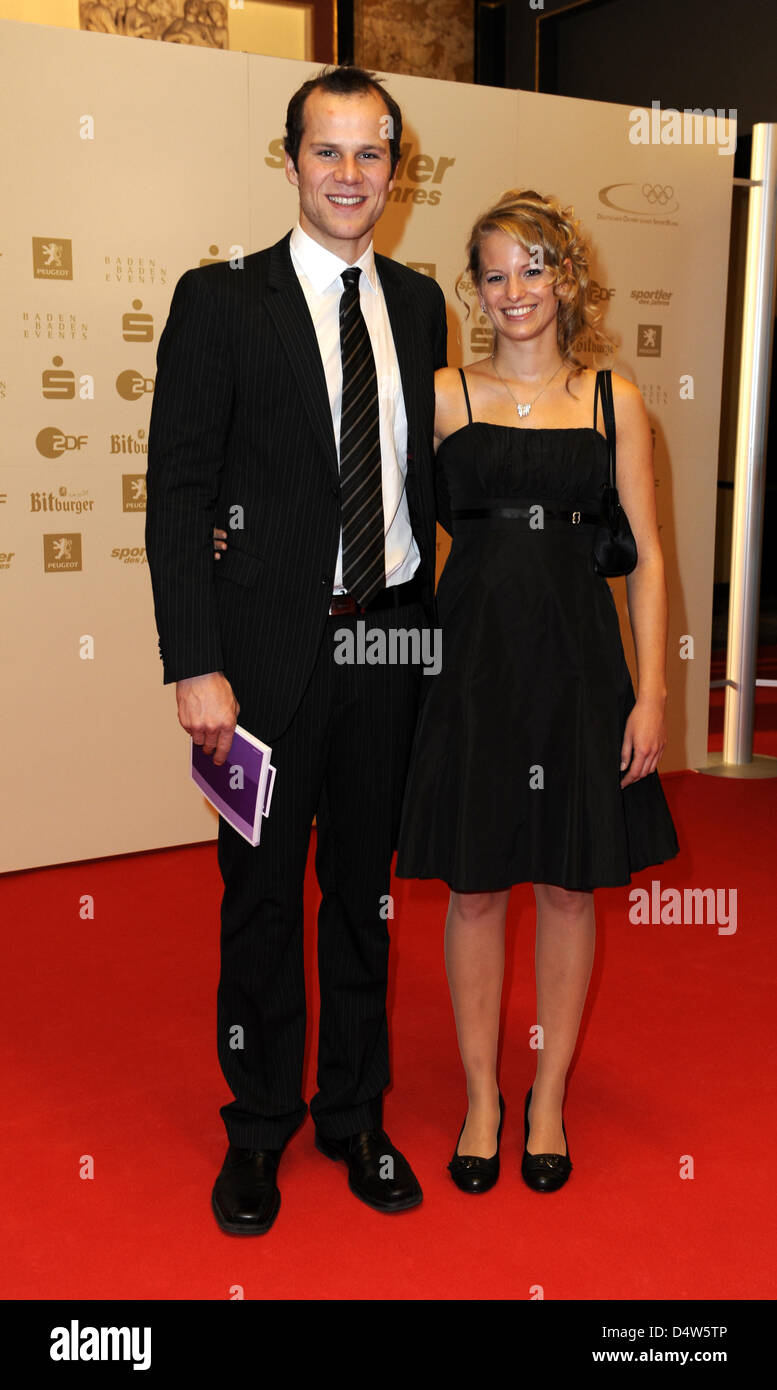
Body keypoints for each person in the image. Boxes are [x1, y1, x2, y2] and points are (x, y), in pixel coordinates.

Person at [145, 65, 447, 1236]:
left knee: (365, 895)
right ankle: (260, 1122)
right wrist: (193, 660)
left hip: (390, 642)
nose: (350, 173)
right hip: (260, 662)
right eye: (328, 150)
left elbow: (421, 482)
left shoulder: (419, 303)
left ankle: (354, 1115)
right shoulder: (221, 300)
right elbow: (179, 492)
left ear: (395, 170)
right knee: (261, 900)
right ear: (290, 162)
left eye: (372, 152)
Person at [395, 189, 679, 1194]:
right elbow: (373, 522)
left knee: (565, 884)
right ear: (473, 289)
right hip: (471, 667)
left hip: (577, 669)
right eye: (494, 273)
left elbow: (647, 558)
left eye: (532, 267)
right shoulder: (441, 396)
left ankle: (547, 1095)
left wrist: (651, 694)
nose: (514, 290)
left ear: (564, 277)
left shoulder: (613, 400)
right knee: (474, 888)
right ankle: (482, 1096)